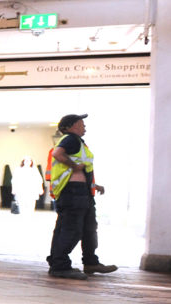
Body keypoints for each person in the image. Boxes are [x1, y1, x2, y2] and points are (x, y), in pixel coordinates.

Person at [45, 113, 118, 279]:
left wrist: (94, 185)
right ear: (71, 127)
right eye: (81, 124)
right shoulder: (70, 139)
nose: (84, 127)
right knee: (71, 229)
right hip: (72, 193)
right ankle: (60, 265)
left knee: (88, 229)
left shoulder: (78, 143)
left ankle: (91, 262)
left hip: (81, 191)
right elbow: (57, 154)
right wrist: (73, 166)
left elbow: (84, 170)